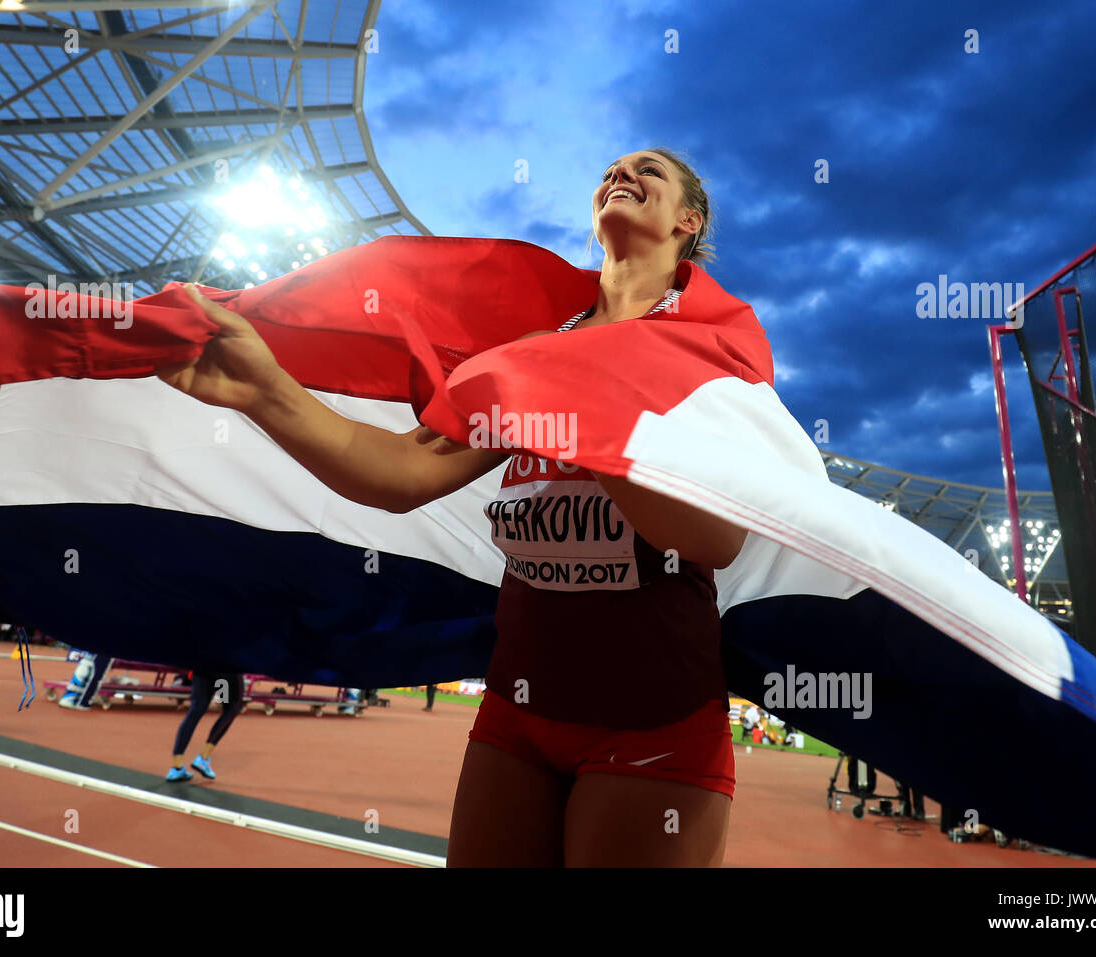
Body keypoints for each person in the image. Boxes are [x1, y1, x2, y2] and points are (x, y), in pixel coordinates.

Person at [157, 147, 743, 866]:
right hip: (520, 707)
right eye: (610, 170)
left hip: (655, 713)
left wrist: (592, 409)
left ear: (690, 219)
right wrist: (262, 391)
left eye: (647, 169)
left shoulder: (709, 348)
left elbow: (717, 537)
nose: (620, 175)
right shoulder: (532, 353)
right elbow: (406, 470)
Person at [166, 670, 244, 782]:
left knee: (195, 710)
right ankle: (203, 758)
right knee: (232, 708)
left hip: (203, 666)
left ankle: (177, 767)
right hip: (225, 668)